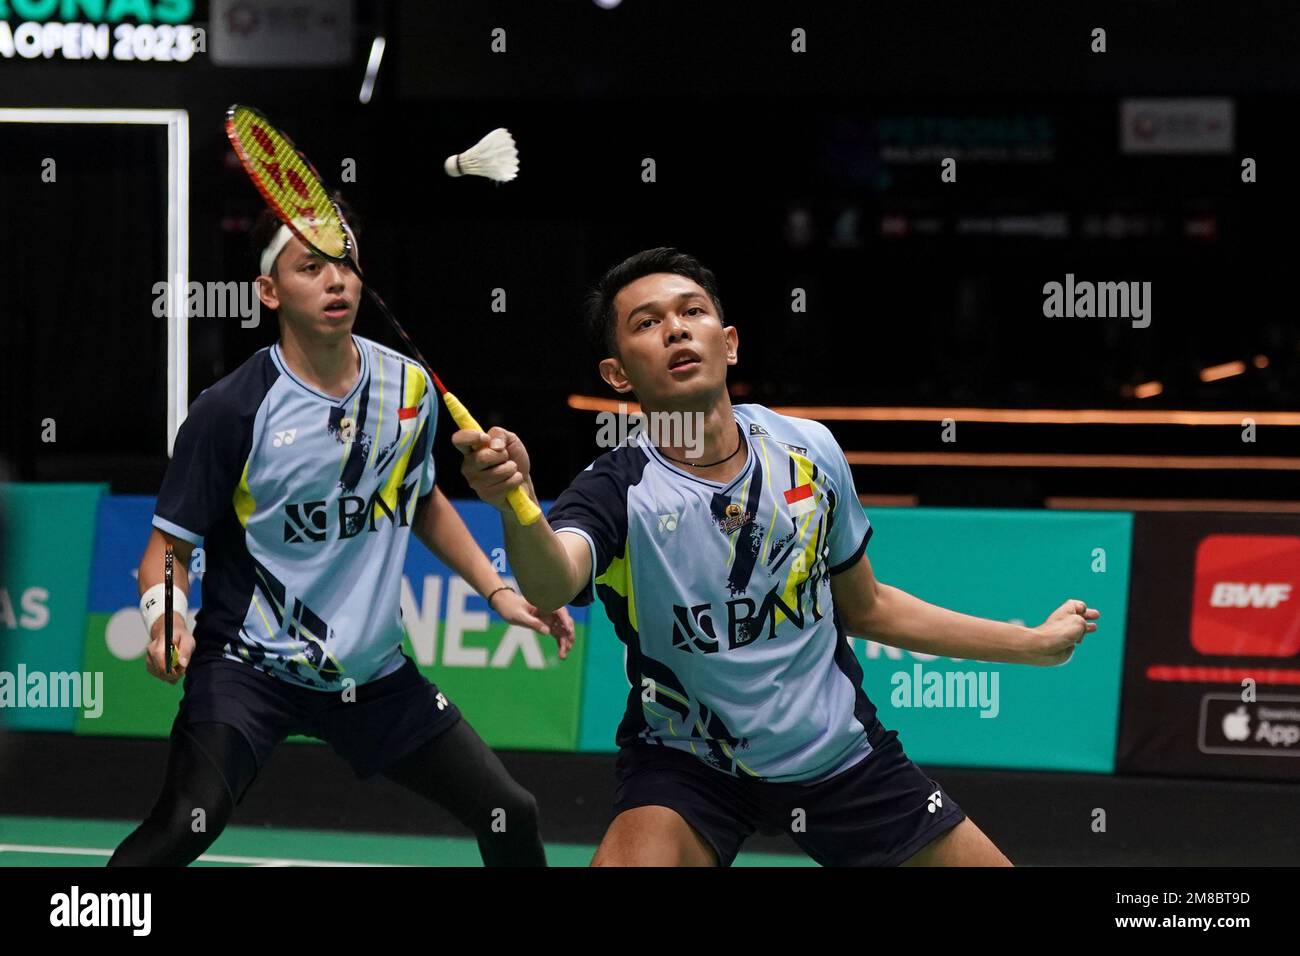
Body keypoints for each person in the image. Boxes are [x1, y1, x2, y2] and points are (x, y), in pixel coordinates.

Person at [454, 247, 1098, 867]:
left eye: (692, 312)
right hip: (690, 763)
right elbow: (551, 581)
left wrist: (1030, 644)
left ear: (728, 342)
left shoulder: (807, 450)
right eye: (647, 323)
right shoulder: (620, 489)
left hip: (834, 752)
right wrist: (516, 502)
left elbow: (866, 607)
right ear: (617, 373)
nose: (676, 330)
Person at [109, 205, 573, 867]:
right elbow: (169, 548)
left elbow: (420, 501)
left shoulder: (407, 387)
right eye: (311, 266)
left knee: (510, 813)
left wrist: (497, 591)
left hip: (371, 674)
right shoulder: (232, 410)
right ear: (269, 291)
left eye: (346, 264)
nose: (337, 282)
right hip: (251, 668)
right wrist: (165, 619)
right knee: (187, 822)